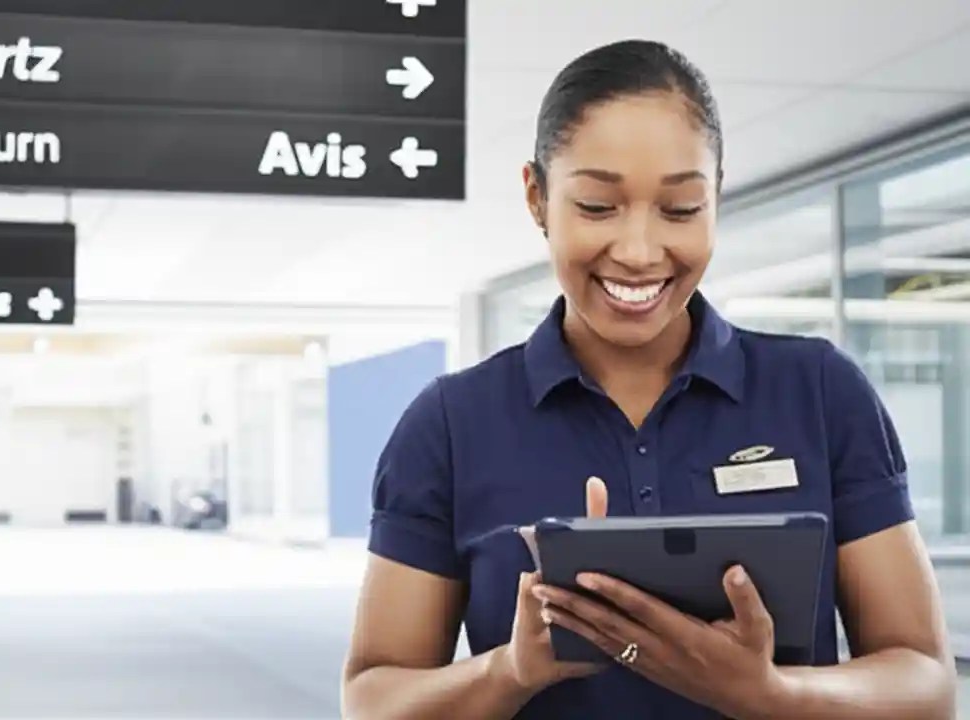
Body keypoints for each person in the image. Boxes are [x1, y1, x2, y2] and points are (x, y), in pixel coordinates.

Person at [340, 39, 957, 720]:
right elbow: (372, 700)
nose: (638, 252)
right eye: (598, 207)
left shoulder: (818, 391)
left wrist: (771, 695)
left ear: (716, 197)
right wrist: (509, 672)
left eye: (681, 209)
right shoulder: (451, 423)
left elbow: (926, 683)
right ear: (536, 197)